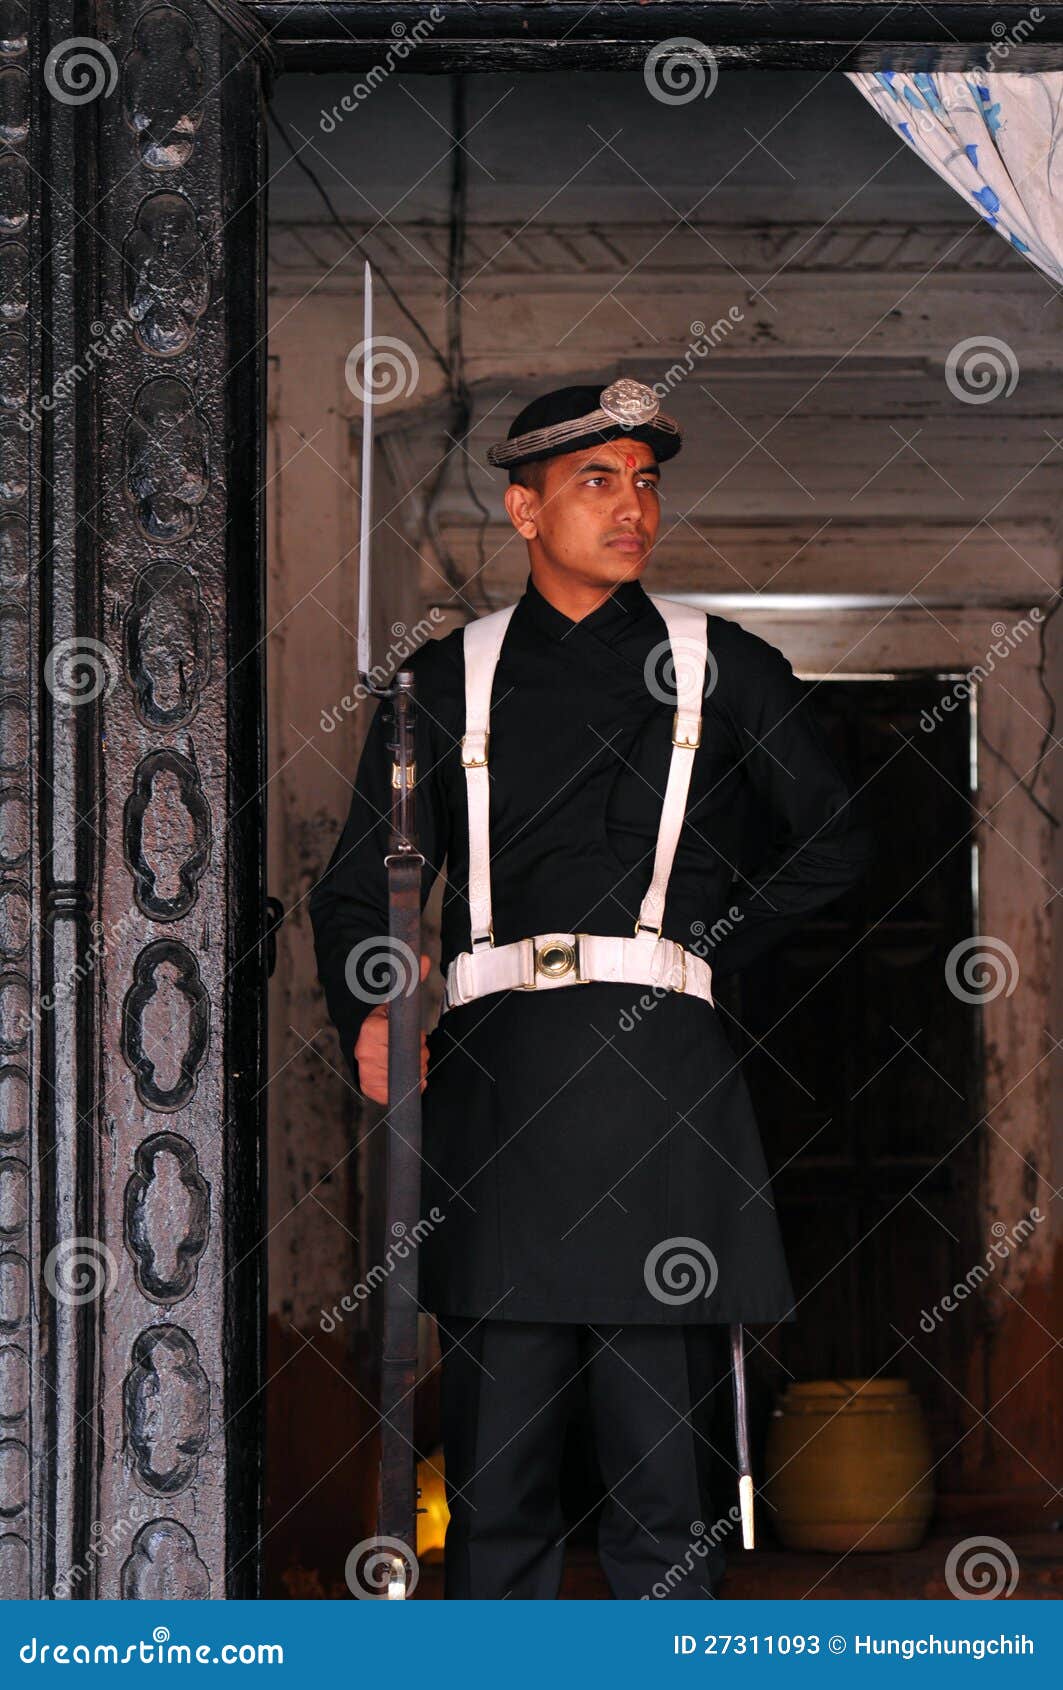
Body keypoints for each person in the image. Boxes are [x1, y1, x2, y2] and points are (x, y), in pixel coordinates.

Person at [309, 378, 872, 1599]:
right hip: (497, 1092)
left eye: (647, 480)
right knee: (496, 1487)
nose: (634, 508)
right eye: (597, 481)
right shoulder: (439, 681)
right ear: (524, 509)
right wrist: (372, 999)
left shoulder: (721, 662)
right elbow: (362, 886)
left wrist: (702, 949)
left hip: (659, 1097)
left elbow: (836, 842)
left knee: (664, 1488)